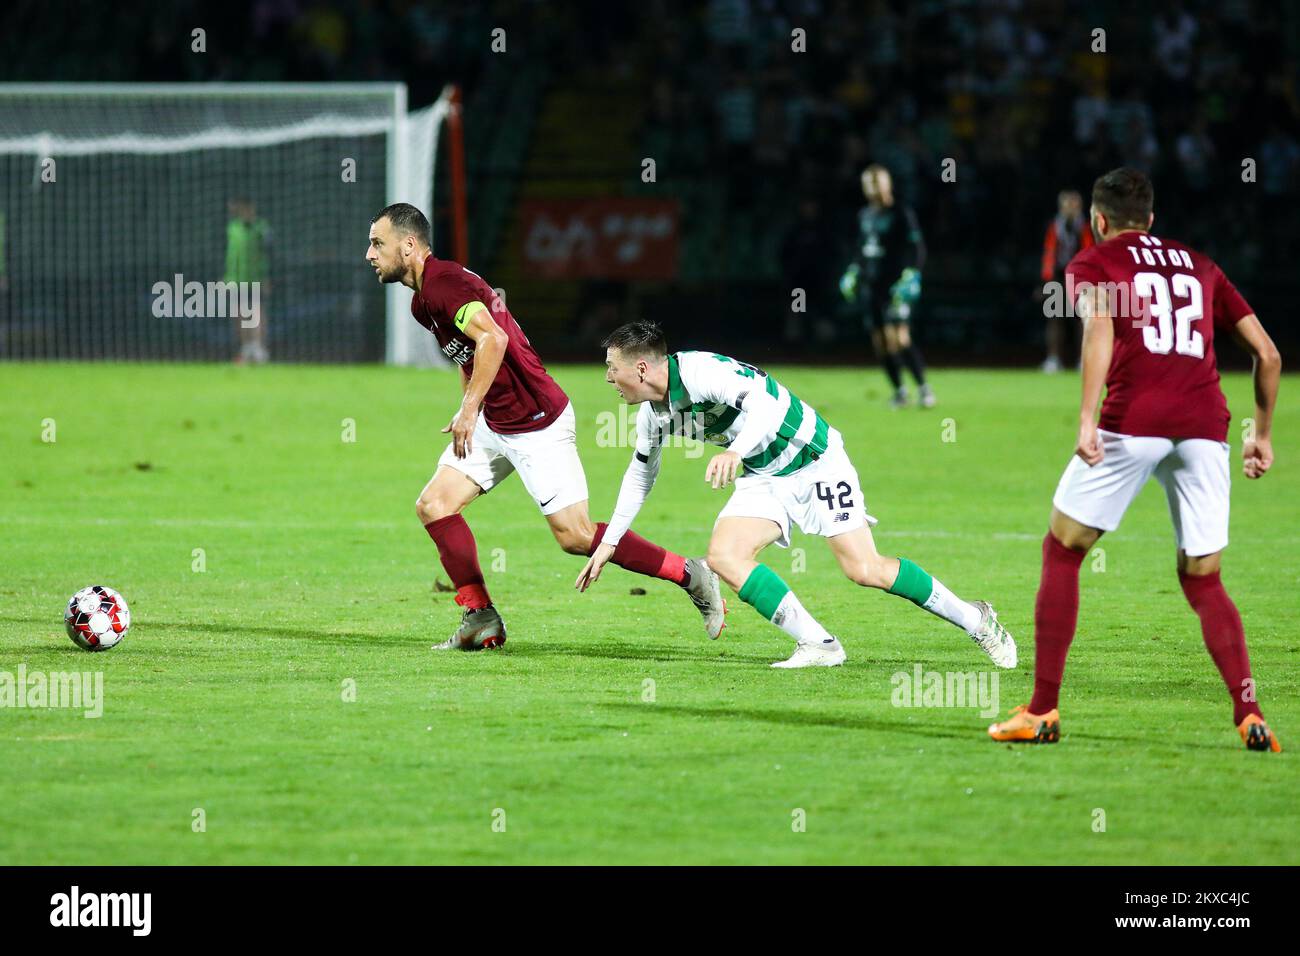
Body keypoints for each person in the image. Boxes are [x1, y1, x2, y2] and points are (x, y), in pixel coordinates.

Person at [989, 168, 1283, 752]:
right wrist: (1263, 435)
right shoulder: (1201, 265)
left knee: (1063, 549)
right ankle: (1249, 714)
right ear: (1150, 218)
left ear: (1098, 222)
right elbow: (1268, 354)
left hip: (1134, 421)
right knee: (1204, 579)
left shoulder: (1094, 263)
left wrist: (1086, 418)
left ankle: (1043, 710)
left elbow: (1099, 328)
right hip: (1205, 427)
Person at [365, 204, 725, 650]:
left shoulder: (445, 286)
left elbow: (492, 339)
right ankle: (480, 617)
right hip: (495, 422)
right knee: (435, 505)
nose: (370, 254)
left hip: (538, 422)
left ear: (410, 245)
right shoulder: (424, 301)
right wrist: (470, 407)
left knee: (574, 537)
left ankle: (690, 573)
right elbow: (472, 352)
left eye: (378, 243)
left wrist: (469, 409)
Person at [577, 321, 1016, 670]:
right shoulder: (652, 416)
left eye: (612, 367)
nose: (608, 378)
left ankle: (976, 620)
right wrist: (610, 542)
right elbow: (640, 477)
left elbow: (765, 405)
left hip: (813, 457)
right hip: (764, 471)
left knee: (865, 569)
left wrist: (733, 450)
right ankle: (819, 644)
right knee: (726, 556)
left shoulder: (701, 372)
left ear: (640, 368)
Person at [839, 165, 933, 408]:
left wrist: (912, 274)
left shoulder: (901, 212)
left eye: (877, 184)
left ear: (887, 184)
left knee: (900, 338)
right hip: (872, 286)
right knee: (880, 342)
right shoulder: (865, 216)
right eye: (869, 185)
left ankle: (924, 388)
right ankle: (900, 391)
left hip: (895, 286)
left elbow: (917, 247)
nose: (873, 190)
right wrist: (853, 271)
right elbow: (861, 249)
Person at [1039, 189, 1094, 372]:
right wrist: (1047, 280)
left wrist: (1089, 279)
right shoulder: (1055, 226)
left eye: (1074, 204)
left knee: (1081, 319)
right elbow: (1049, 252)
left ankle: (1083, 359)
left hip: (1079, 276)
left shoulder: (1085, 226)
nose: (1071, 208)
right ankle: (1053, 358)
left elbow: (1088, 251)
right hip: (1059, 275)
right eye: (1067, 204)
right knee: (1055, 318)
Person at [225, 197, 271, 364]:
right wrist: (226, 277)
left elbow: (269, 254)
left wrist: (267, 277)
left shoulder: (261, 228)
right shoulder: (232, 228)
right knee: (239, 313)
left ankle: (258, 348)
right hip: (236, 279)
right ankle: (246, 348)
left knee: (257, 311)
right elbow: (229, 255)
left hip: (256, 278)